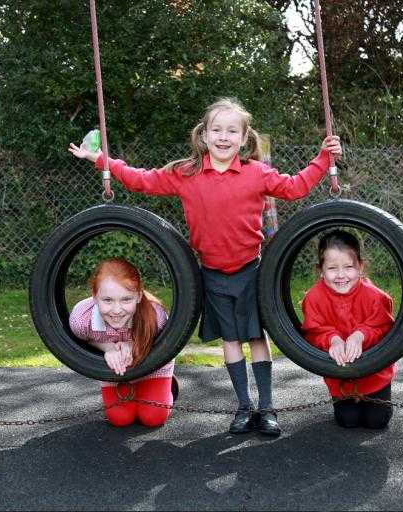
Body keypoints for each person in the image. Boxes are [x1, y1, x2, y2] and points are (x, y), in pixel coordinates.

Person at [69, 97, 342, 437]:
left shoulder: (257, 173)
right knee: (230, 340)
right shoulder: (187, 173)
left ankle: (267, 407)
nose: (223, 137)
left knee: (256, 337)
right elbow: (141, 179)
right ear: (204, 135)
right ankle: (244, 406)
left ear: (244, 138)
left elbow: (295, 186)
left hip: (251, 270)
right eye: (216, 130)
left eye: (232, 131)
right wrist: (101, 161)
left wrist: (322, 158)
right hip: (212, 273)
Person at [301, 230, 396, 429]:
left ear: (360, 267)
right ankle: (346, 405)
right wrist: (332, 340)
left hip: (375, 377)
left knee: (377, 421)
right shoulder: (313, 298)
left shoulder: (375, 297)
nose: (341, 275)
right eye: (332, 268)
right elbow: (313, 332)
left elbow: (385, 329)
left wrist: (360, 335)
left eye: (348, 267)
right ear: (321, 270)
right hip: (340, 378)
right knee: (348, 421)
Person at [69, 258, 177, 427]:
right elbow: (83, 341)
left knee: (153, 417)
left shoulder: (156, 317)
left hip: (152, 365)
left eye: (126, 299)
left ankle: (168, 388)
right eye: (108, 300)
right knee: (120, 419)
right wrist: (107, 347)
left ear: (139, 296)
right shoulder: (82, 320)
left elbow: (167, 345)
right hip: (117, 368)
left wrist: (135, 344)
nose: (117, 310)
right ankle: (138, 396)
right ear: (95, 297)